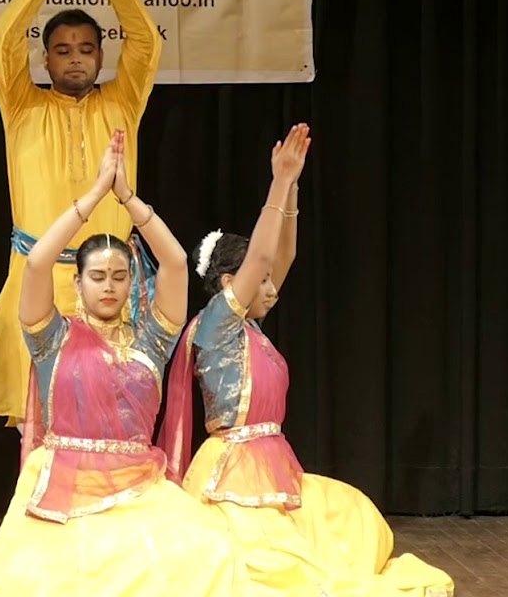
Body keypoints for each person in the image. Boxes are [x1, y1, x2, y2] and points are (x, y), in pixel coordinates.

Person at [0, 132, 239, 596]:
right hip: (62, 491)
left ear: (132, 280)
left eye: (119, 276)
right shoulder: (52, 338)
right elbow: (34, 265)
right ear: (78, 281)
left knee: (212, 555)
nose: (108, 286)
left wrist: (127, 198)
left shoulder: (152, 340)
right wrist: (92, 197)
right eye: (97, 276)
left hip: (140, 493)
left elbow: (173, 262)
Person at [158, 124, 455, 597]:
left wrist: (292, 187)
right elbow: (261, 258)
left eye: (273, 282)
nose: (273, 290)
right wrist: (278, 183)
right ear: (231, 282)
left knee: (352, 518)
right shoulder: (217, 323)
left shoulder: (248, 327)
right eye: (262, 282)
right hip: (234, 469)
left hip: (271, 460)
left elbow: (282, 253)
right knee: (271, 565)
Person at [0, 0, 163, 429]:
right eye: (61, 50)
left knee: (109, 410)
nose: (74, 57)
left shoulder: (121, 101)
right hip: (39, 278)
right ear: (46, 60)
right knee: (37, 415)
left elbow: (145, 40)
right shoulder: (21, 106)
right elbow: (6, 40)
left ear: (101, 57)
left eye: (85, 48)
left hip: (109, 282)